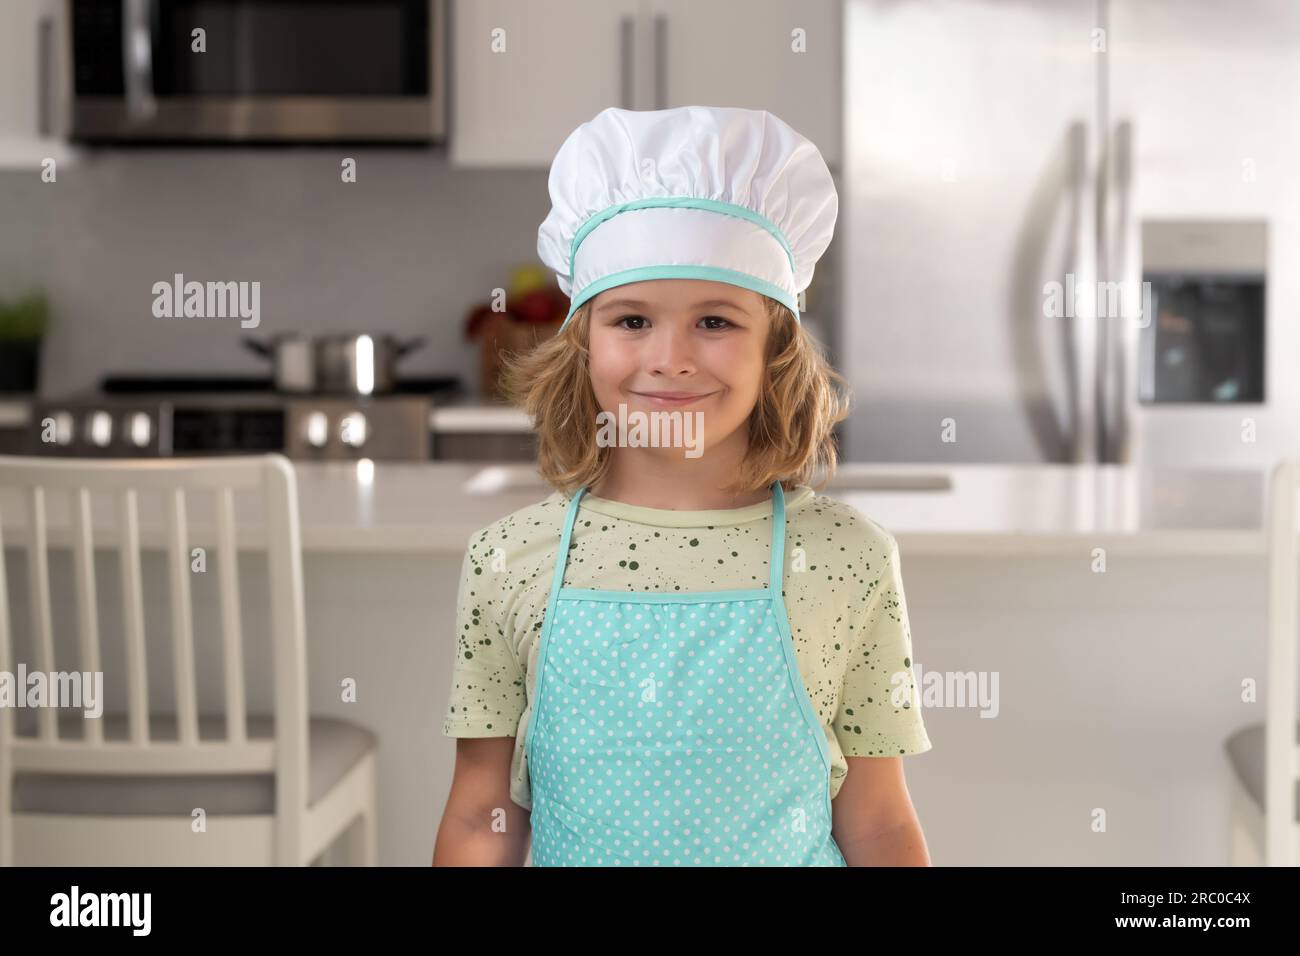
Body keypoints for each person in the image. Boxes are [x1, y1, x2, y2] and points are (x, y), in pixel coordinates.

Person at [434, 105, 931, 866]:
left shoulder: (849, 559)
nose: (669, 358)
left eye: (716, 322)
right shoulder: (507, 559)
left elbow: (880, 825)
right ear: (582, 345)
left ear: (777, 351)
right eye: (632, 320)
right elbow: (479, 816)